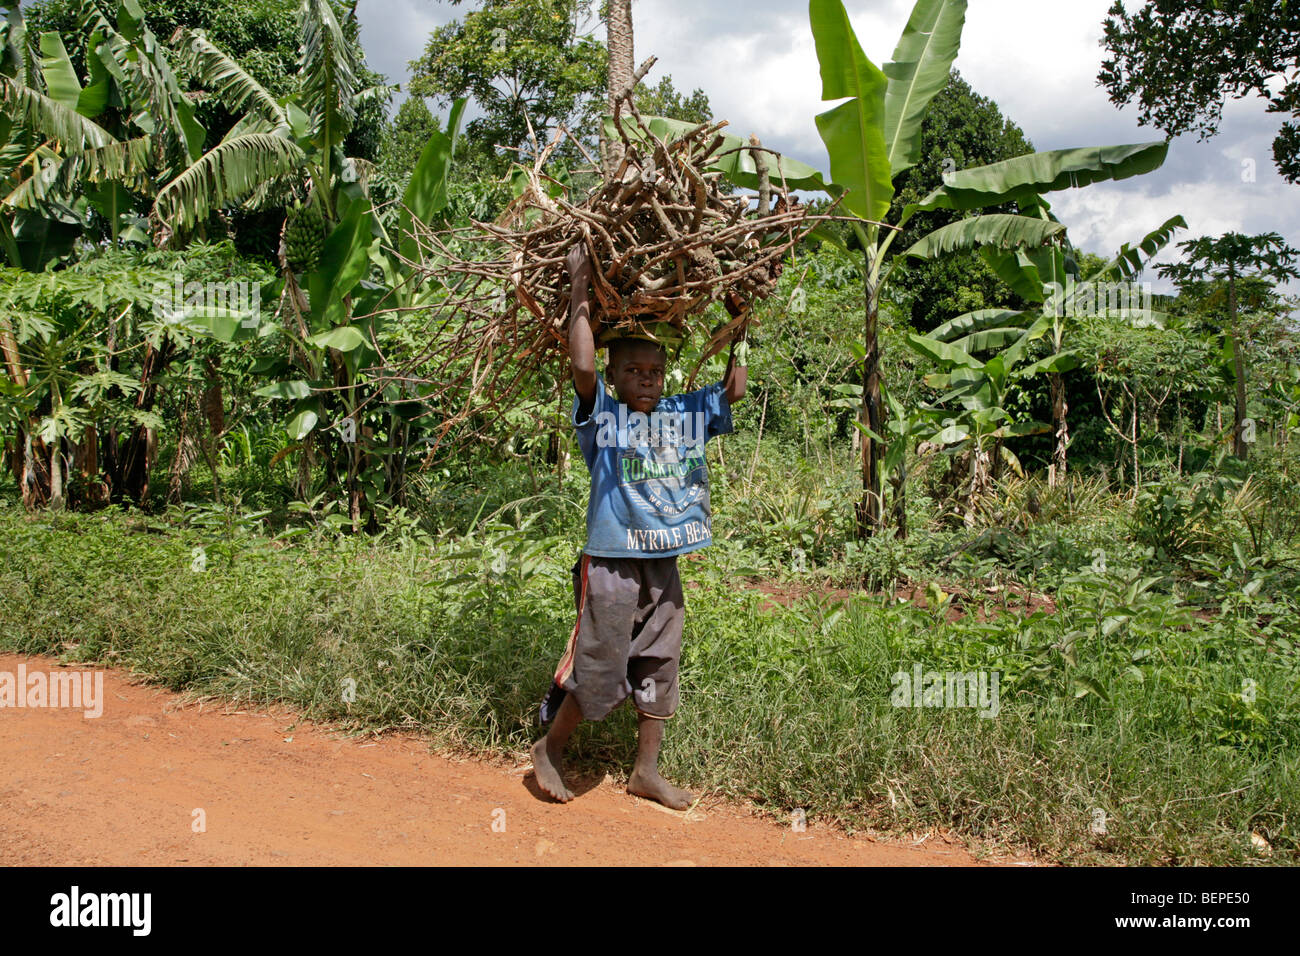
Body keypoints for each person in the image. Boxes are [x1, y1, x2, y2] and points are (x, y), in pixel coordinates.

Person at [530, 242, 748, 810]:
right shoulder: (604, 415)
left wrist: (739, 316)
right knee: (600, 665)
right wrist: (580, 288)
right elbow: (580, 367)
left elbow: (734, 391)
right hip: (611, 563)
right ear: (614, 374)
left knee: (658, 662)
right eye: (633, 371)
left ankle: (644, 771)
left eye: (655, 372)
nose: (647, 381)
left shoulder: (684, 414)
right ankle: (549, 750)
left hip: (664, 563)